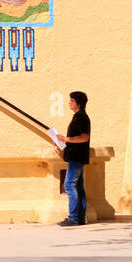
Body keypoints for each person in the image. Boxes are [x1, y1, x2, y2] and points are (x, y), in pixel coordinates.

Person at [55, 91, 91, 226]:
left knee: (69, 185)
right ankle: (80, 218)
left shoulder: (81, 117)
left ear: (78, 103)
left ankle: (74, 218)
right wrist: (62, 142)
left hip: (77, 157)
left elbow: (84, 137)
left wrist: (65, 139)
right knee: (78, 186)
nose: (69, 103)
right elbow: (76, 138)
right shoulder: (78, 117)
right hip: (76, 155)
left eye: (71, 101)